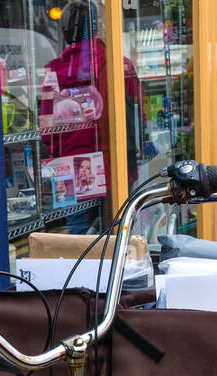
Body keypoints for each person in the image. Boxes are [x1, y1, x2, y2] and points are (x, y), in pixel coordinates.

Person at [40, 1, 141, 232]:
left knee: (79, 239)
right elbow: (138, 115)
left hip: (72, 168)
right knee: (119, 235)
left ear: (64, 34)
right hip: (117, 166)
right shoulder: (121, 65)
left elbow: (47, 131)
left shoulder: (54, 71)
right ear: (97, 28)